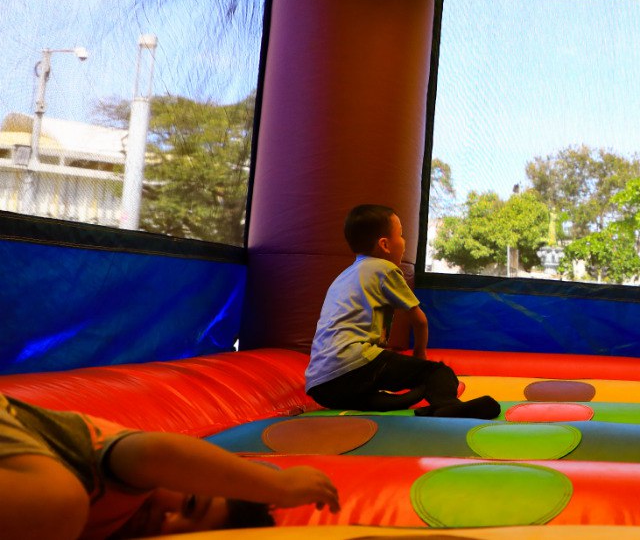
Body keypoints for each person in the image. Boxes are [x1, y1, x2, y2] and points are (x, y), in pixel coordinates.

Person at [0, 393, 339, 540]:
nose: (168, 522)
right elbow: (155, 454)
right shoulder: (127, 477)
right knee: (59, 504)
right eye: (190, 503)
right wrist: (278, 487)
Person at [305, 204, 500, 419]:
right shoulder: (383, 268)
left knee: (389, 400)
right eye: (401, 235)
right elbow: (419, 321)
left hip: (322, 385)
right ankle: (447, 405)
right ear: (385, 245)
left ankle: (417, 402)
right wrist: (420, 357)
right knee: (438, 372)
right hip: (354, 364)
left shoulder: (343, 276)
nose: (404, 242)